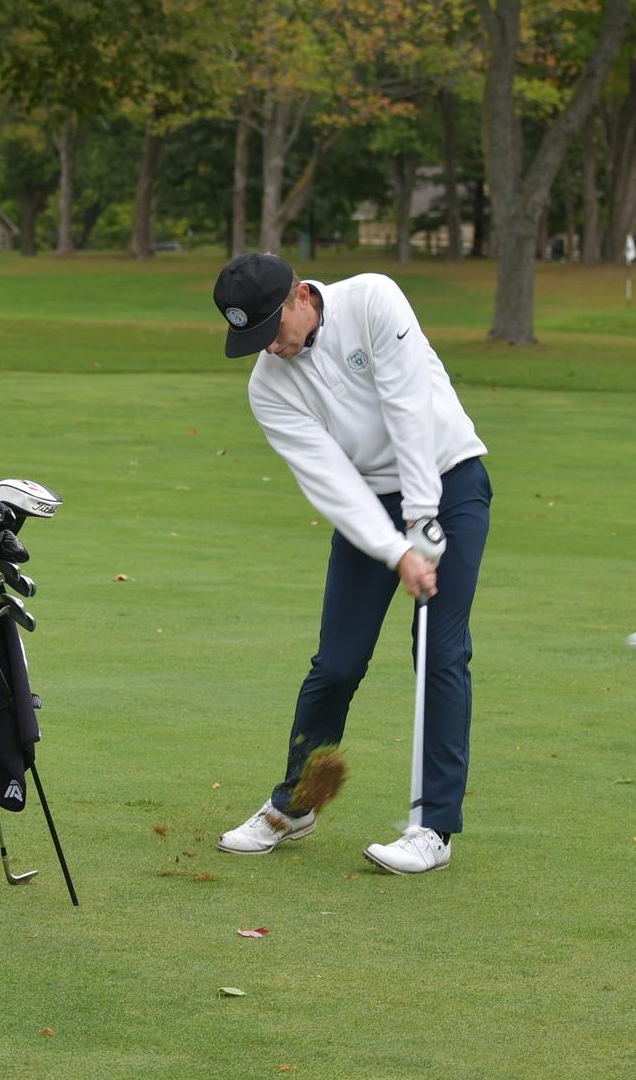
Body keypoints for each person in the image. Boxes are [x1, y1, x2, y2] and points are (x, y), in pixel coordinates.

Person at [211, 252, 492, 875]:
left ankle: (434, 828)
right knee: (336, 663)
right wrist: (396, 549)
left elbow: (408, 406)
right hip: (370, 504)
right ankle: (296, 805)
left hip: (450, 481)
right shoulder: (268, 386)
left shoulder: (372, 299)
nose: (270, 350)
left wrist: (421, 521)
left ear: (299, 299)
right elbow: (331, 482)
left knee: (438, 650)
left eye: (271, 331)